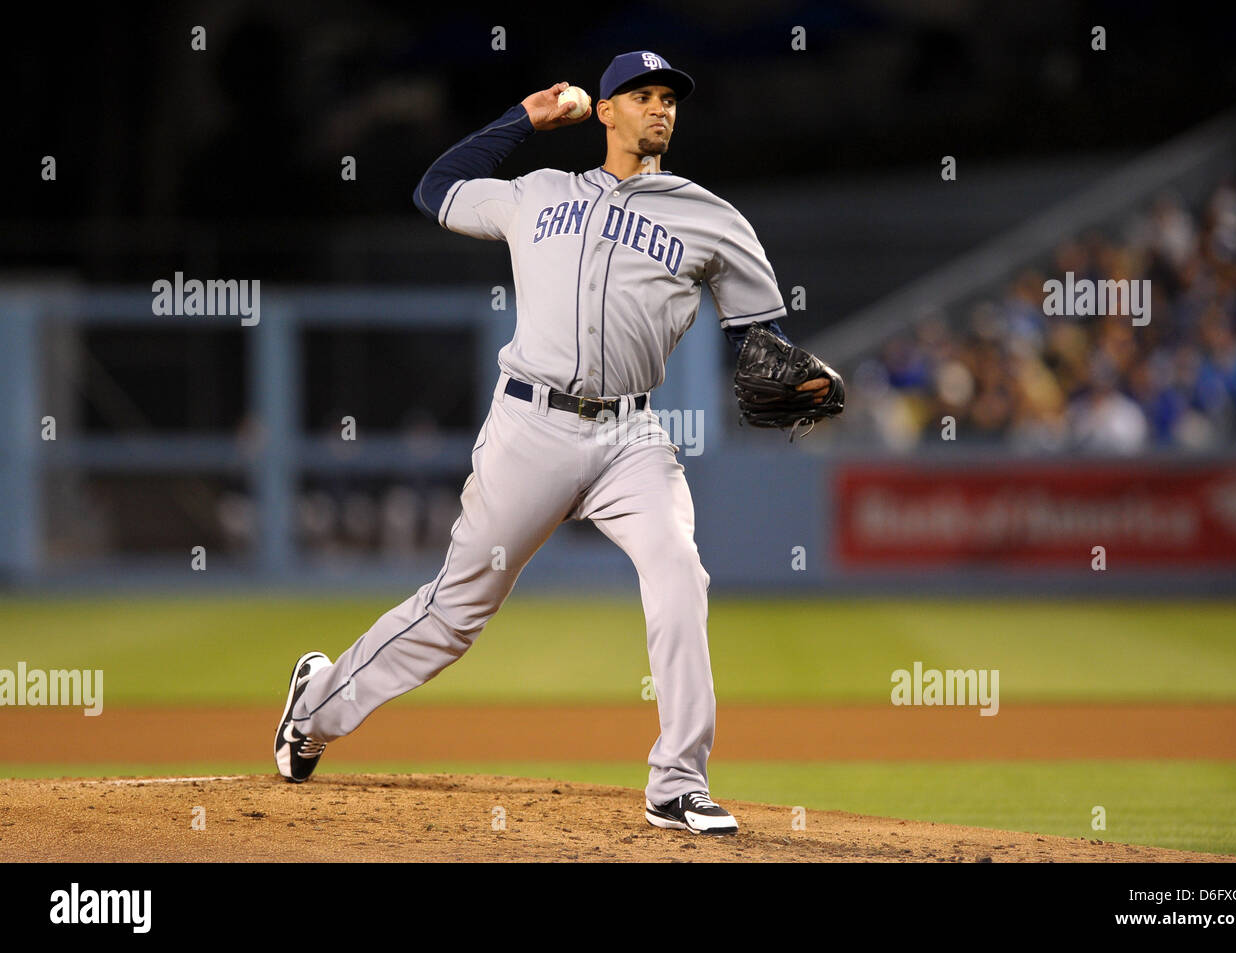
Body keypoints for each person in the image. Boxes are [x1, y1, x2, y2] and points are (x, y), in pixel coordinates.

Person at [275, 51, 831, 835]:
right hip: (529, 428)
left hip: (632, 434)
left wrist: (779, 365)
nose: (660, 108)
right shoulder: (537, 195)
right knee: (456, 610)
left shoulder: (712, 217)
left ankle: (677, 780)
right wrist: (522, 120)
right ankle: (317, 708)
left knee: (679, 569)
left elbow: (759, 338)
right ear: (605, 111)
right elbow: (432, 190)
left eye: (669, 97)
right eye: (642, 96)